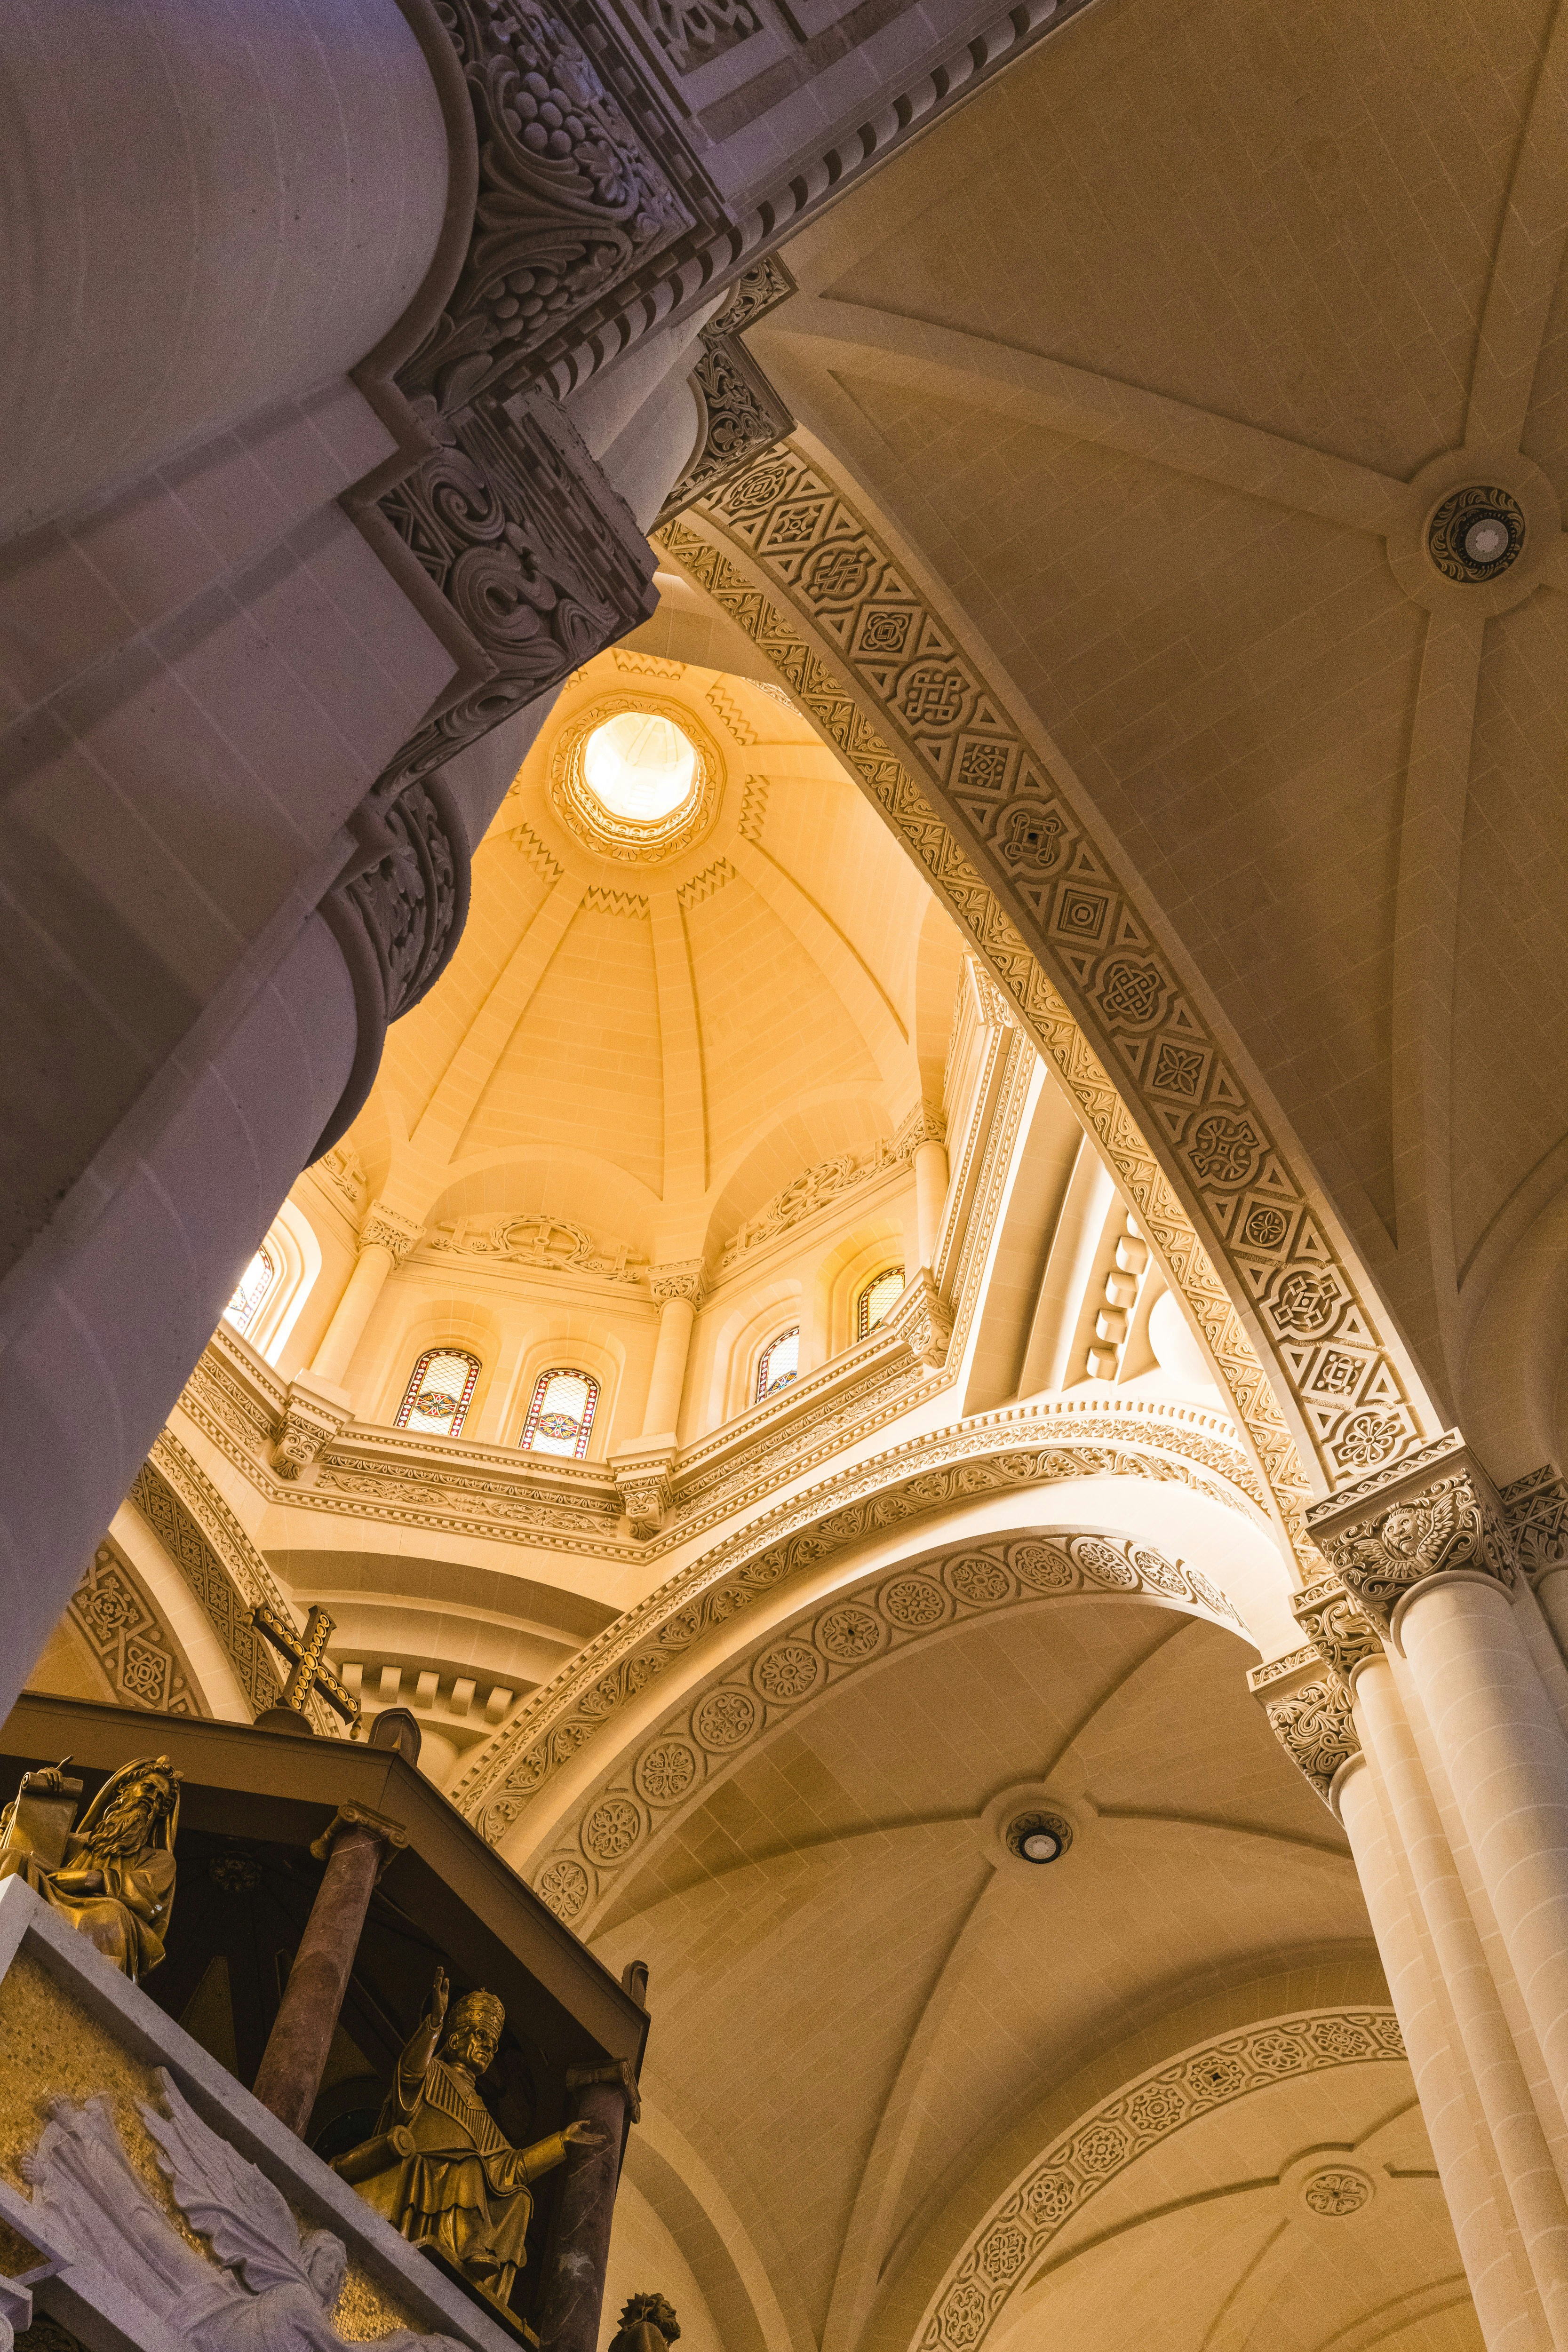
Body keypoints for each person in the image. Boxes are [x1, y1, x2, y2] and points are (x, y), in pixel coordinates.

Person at [338, 1969, 601, 2316]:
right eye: (480, 2037)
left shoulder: (482, 2112)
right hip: (422, 2171)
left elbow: (512, 2167)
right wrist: (434, 2024)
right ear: (457, 2040)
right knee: (470, 2163)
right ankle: (471, 2245)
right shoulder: (431, 2073)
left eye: (492, 2046)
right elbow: (409, 2074)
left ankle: (479, 2267)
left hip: (461, 2176)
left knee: (519, 2198)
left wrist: (561, 2143)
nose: (487, 2048)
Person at [0, 1756, 181, 1980]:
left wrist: (91, 1879)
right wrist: (41, 1793)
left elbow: (148, 1895)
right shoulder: (74, 1842)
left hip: (99, 1909)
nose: (151, 1798)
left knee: (113, 1914)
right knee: (12, 1857)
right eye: (148, 1787)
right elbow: (23, 1841)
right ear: (124, 1789)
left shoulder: (159, 1859)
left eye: (159, 1798)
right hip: (51, 1893)